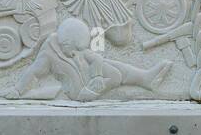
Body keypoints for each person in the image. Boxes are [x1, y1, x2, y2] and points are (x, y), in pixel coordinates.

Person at [12, 17, 170, 101]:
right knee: (115, 75)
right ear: (65, 42)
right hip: (79, 92)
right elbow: (33, 72)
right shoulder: (49, 53)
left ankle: (145, 78)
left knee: (111, 64)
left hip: (89, 79)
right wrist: (18, 90)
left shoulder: (74, 47)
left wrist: (97, 76)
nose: (76, 53)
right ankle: (95, 91)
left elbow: (95, 59)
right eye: (75, 50)